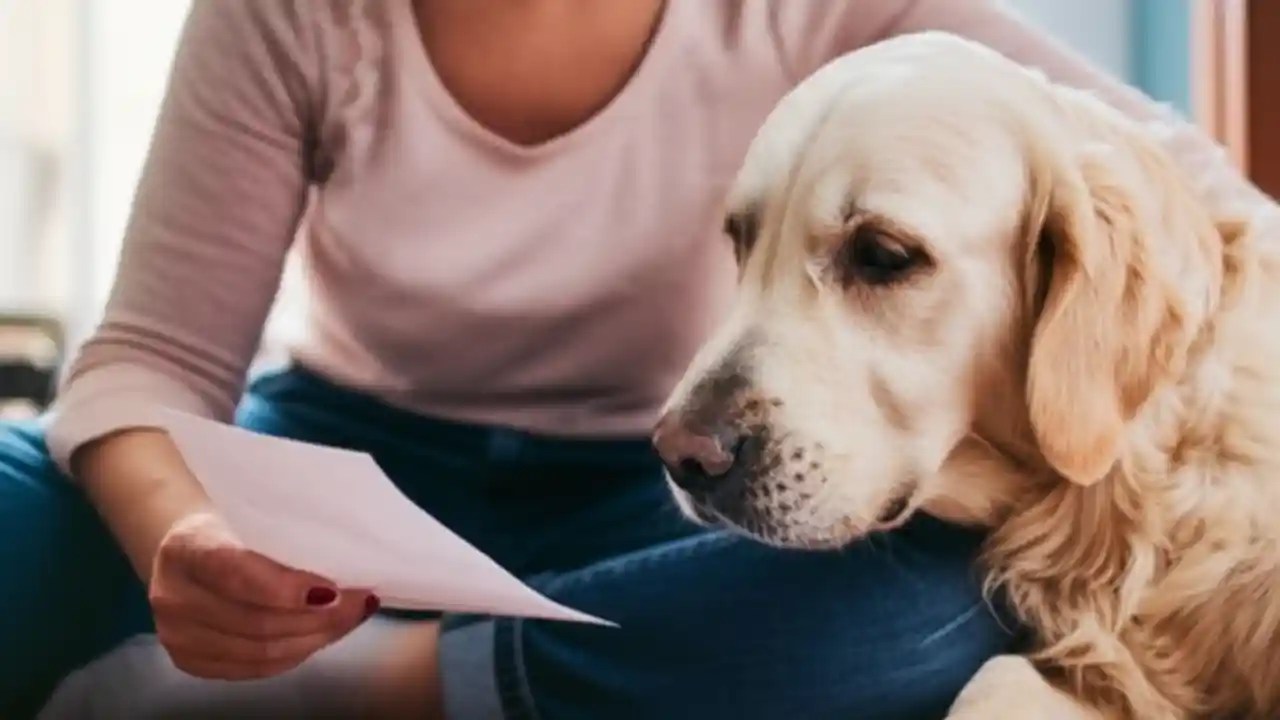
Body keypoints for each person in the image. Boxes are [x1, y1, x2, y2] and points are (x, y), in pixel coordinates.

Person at [1, 1, 1271, 718]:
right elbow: (148, 359)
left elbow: (1199, 199)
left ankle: (389, 687)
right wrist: (181, 542)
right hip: (337, 466)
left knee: (947, 599)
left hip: (657, 508)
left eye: (878, 257)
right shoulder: (290, 13)